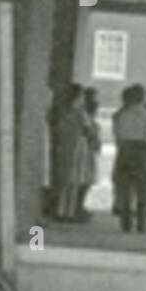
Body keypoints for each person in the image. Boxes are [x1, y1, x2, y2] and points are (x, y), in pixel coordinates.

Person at [112, 84, 146, 233]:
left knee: (125, 188)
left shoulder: (121, 115)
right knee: (142, 188)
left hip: (125, 150)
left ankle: (126, 221)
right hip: (142, 150)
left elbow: (117, 136)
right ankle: (141, 223)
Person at [52, 84, 90, 222]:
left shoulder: (62, 111)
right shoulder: (81, 113)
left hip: (64, 146)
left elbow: (58, 129)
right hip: (77, 147)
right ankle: (69, 211)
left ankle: (60, 209)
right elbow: (87, 130)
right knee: (73, 181)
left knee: (63, 179)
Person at [75, 86, 101, 222]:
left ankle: (79, 205)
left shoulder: (86, 116)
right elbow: (90, 134)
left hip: (88, 150)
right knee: (84, 179)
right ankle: (77, 206)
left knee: (86, 179)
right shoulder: (84, 115)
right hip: (86, 150)